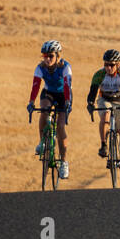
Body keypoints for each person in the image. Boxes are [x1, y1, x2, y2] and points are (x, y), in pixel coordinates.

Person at [86, 49, 120, 179]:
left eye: (112, 65)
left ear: (118, 65)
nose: (108, 67)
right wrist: (90, 103)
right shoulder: (99, 74)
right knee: (106, 115)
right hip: (105, 100)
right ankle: (103, 145)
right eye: (106, 64)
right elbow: (92, 92)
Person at [27, 40, 72, 180]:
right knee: (44, 111)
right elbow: (35, 86)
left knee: (60, 126)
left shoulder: (65, 67)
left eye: (50, 56)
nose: (47, 59)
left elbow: (66, 86)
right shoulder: (40, 68)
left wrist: (67, 103)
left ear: (58, 56)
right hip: (49, 93)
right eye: (44, 56)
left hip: (64, 96)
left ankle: (64, 162)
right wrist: (31, 102)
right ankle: (42, 142)